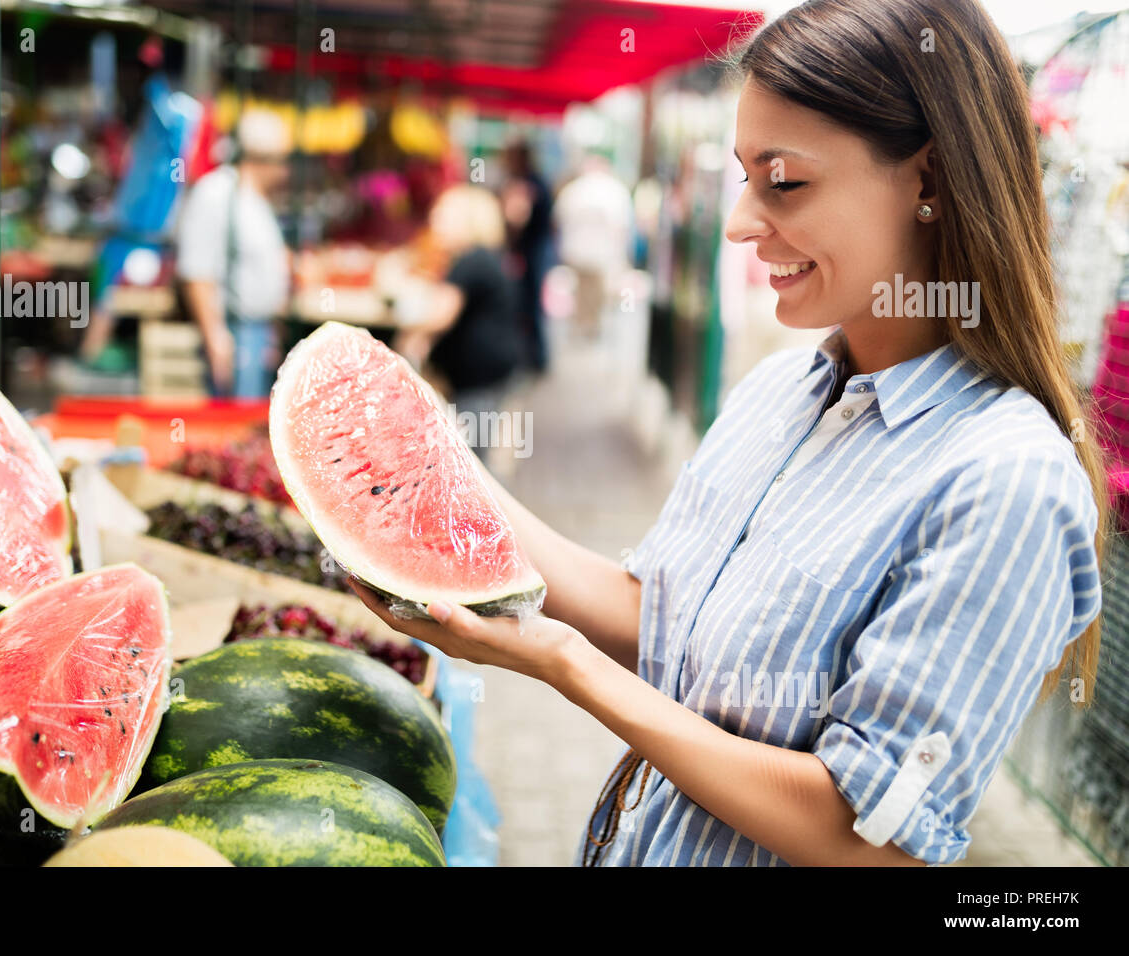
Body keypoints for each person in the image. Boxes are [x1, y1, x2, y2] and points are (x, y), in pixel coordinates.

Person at [352, 0, 1107, 867]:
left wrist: (563, 664)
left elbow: (872, 842)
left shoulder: (1006, 478)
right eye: (743, 178)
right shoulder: (782, 389)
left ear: (928, 183)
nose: (744, 223)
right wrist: (432, 466)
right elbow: (663, 614)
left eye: (783, 182)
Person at [395, 185, 520, 464]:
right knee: (472, 453)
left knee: (471, 461)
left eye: (443, 216)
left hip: (479, 380)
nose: (434, 222)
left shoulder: (471, 260)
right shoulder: (479, 257)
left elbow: (441, 315)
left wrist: (407, 335)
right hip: (485, 376)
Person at [177, 109, 291, 398]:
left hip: (257, 334)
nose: (285, 172)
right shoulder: (217, 193)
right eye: (282, 162)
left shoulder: (256, 200)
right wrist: (215, 337)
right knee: (234, 427)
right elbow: (197, 271)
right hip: (234, 332)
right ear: (261, 159)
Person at [552, 149, 634, 341]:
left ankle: (585, 324)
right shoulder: (614, 190)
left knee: (584, 290)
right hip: (601, 253)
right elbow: (622, 226)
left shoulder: (574, 190)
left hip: (578, 251)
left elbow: (558, 221)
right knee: (594, 291)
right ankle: (589, 325)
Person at [501, 139, 555, 372]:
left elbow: (517, 218)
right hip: (537, 249)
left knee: (530, 304)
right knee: (530, 304)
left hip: (534, 251)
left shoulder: (528, 184)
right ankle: (535, 356)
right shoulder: (535, 181)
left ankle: (535, 358)